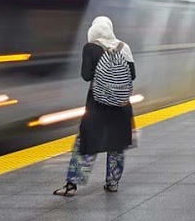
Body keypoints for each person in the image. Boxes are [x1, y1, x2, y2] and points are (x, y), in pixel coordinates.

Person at [53, 16, 135, 197]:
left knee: (86, 142)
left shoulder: (90, 48)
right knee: (117, 144)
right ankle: (112, 183)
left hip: (97, 104)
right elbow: (132, 75)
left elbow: (86, 76)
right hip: (121, 105)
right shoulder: (124, 47)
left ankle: (71, 186)